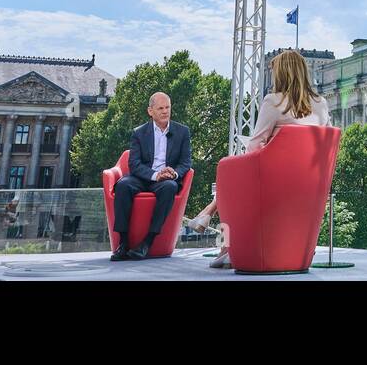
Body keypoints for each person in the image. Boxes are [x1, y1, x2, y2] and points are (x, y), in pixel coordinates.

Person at [187, 50, 330, 268]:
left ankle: (225, 244)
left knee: (228, 173)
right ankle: (210, 218)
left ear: (281, 74)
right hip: (309, 185)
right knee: (234, 178)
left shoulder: (273, 101)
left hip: (274, 183)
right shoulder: (321, 104)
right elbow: (323, 144)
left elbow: (255, 145)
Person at [111, 91, 192, 261]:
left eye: (168, 107)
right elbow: (134, 164)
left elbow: (185, 163)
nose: (165, 111)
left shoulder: (182, 132)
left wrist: (174, 173)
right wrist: (156, 175)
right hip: (143, 177)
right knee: (123, 185)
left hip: (166, 180)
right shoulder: (139, 133)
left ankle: (147, 242)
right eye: (160, 108)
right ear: (150, 111)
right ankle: (123, 243)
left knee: (170, 187)